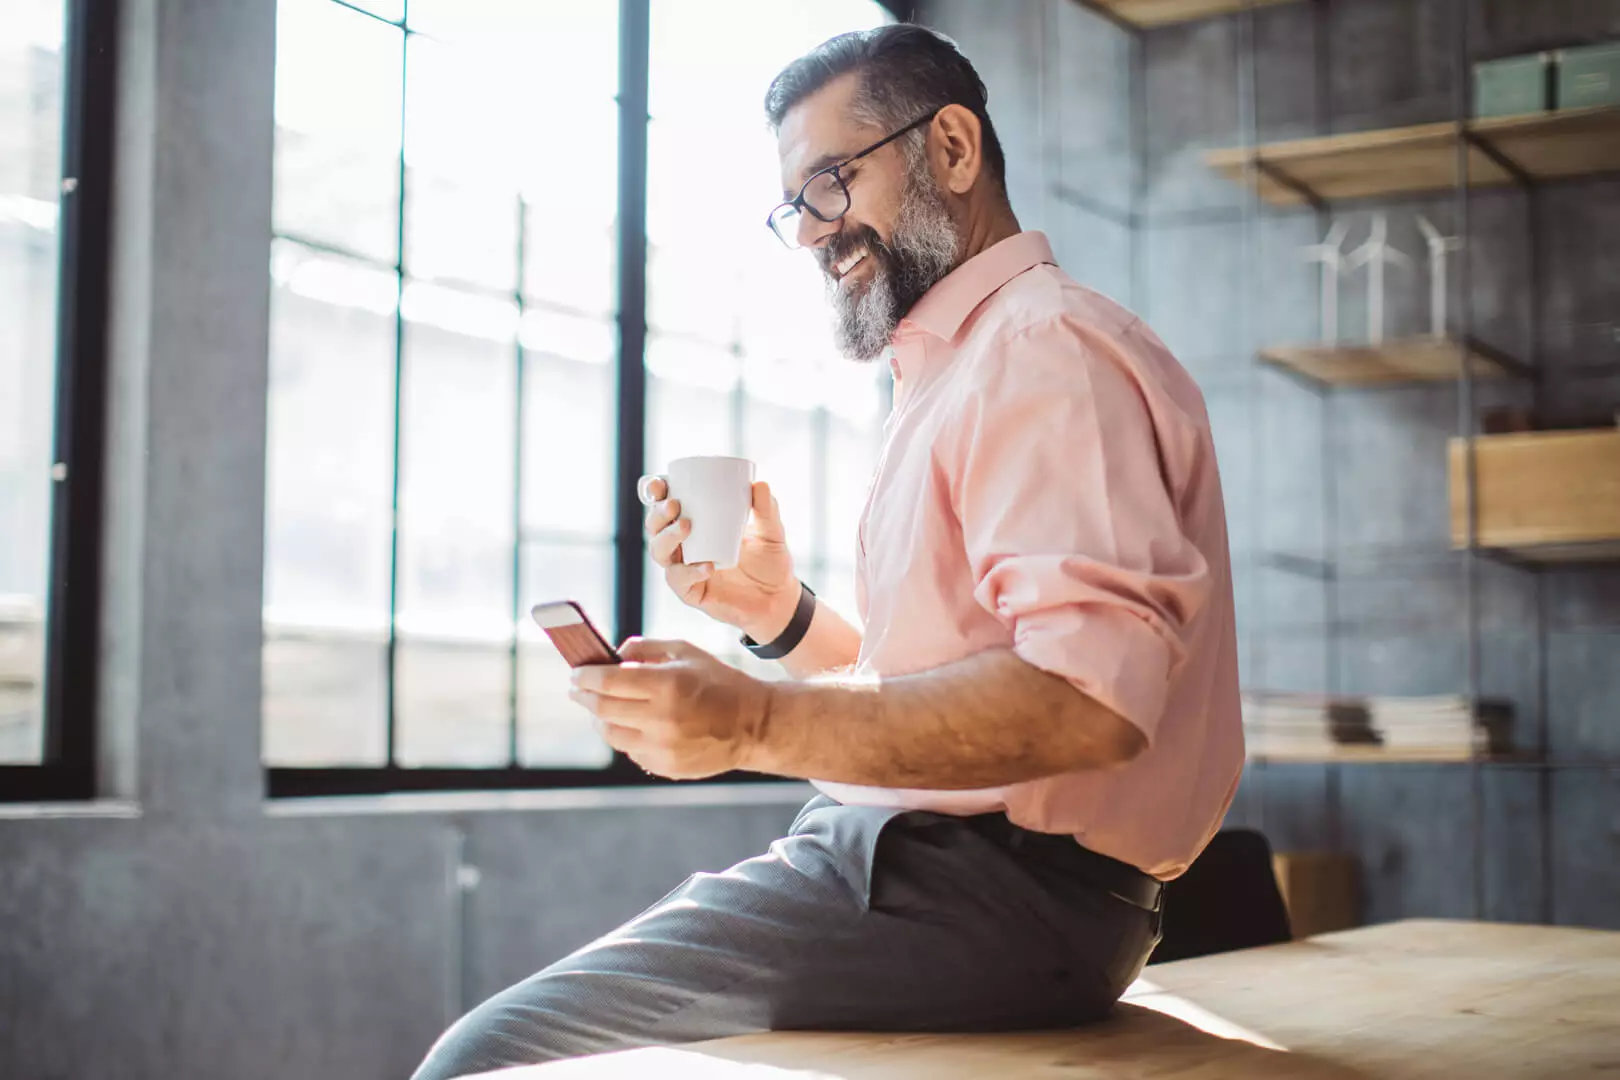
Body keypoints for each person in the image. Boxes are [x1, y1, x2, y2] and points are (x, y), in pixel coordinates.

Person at [412, 23, 1242, 1079]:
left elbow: (1087, 702)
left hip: (982, 894)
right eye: (793, 205)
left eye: (831, 184)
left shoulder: (1040, 351)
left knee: (484, 1057)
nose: (810, 232)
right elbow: (953, 698)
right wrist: (782, 618)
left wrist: (751, 722)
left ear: (951, 147)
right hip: (973, 887)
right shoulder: (966, 370)